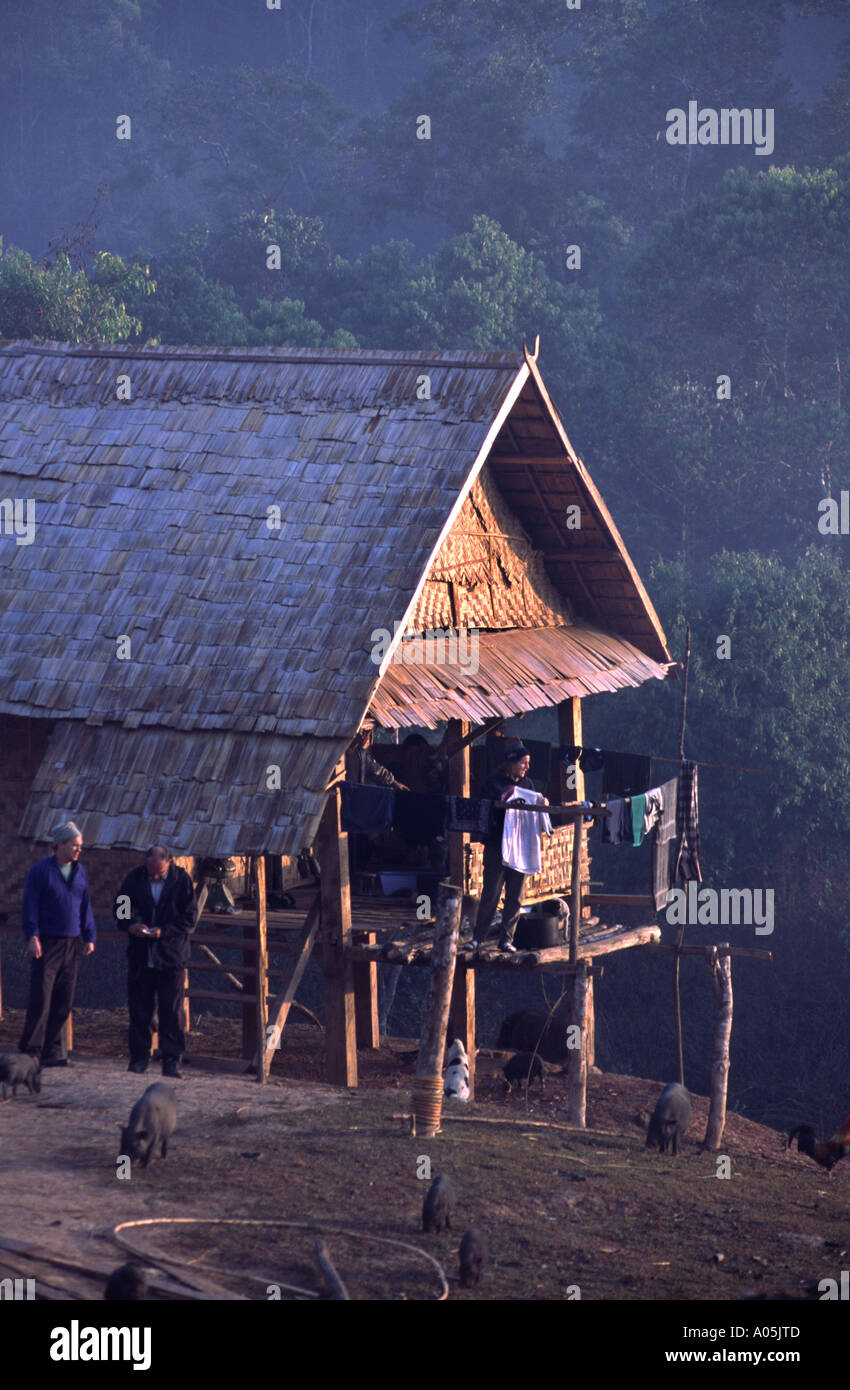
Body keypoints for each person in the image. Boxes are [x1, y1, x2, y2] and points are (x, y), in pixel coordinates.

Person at [114, 845, 198, 1078]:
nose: (156, 876)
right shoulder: (134, 879)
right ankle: (139, 1059)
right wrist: (131, 925)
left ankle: (171, 1060)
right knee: (139, 1010)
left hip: (171, 956)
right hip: (141, 956)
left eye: (160, 872)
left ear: (168, 863)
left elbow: (189, 918)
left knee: (171, 1011)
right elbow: (120, 908)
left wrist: (164, 931)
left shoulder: (181, 881)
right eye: (152, 871)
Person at [19, 821, 96, 1066]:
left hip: (71, 943)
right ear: (60, 845)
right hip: (47, 942)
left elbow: (85, 905)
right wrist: (32, 936)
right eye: (74, 845)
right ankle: (31, 1050)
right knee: (41, 998)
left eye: (80, 845)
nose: (78, 849)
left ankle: (52, 1051)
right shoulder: (41, 871)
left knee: (64, 1000)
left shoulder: (80, 872)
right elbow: (30, 905)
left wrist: (89, 936)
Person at [476, 739, 549, 953]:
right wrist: (502, 801)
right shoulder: (492, 783)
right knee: (491, 893)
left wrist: (542, 803)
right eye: (523, 763)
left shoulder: (528, 786)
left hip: (521, 846)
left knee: (515, 895)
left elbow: (535, 809)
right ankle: (478, 938)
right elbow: (484, 809)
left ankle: (506, 939)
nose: (527, 767)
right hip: (497, 845)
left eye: (528, 763)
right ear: (511, 762)